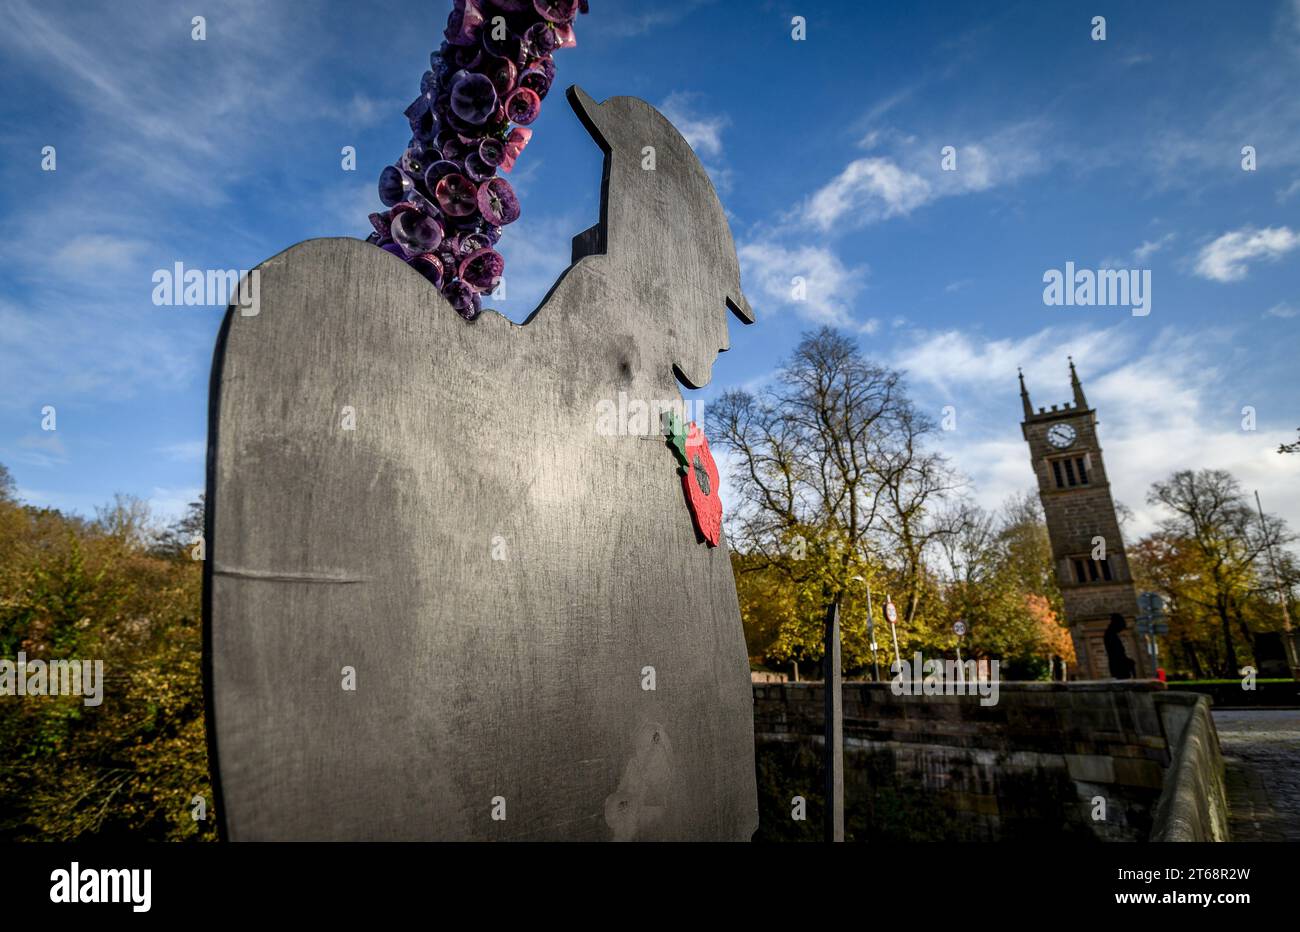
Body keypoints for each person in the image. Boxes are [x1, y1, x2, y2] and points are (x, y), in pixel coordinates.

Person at [1104, 613, 1136, 679]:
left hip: (1119, 667)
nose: (1121, 630)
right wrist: (1127, 662)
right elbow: (1116, 654)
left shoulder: (1111, 634)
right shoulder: (1110, 635)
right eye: (1121, 627)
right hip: (1119, 668)